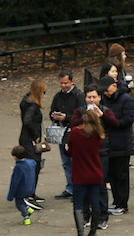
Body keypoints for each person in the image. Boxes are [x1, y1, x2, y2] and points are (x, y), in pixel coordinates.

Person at [70, 83, 118, 231]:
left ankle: (102, 217)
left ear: (99, 97)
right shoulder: (80, 111)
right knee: (83, 186)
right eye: (89, 97)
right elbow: (73, 124)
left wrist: (102, 116)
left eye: (94, 97)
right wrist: (87, 117)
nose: (91, 100)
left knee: (100, 185)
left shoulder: (105, 110)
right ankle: (85, 216)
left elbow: (115, 124)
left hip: (101, 152)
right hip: (83, 154)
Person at [66, 99, 106, 236]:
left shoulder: (75, 132)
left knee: (78, 204)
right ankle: (93, 233)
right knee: (95, 203)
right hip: (95, 172)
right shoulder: (98, 134)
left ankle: (81, 234)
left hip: (79, 174)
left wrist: (69, 149)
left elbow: (70, 150)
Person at [100, 75, 134, 216]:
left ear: (114, 86)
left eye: (107, 90)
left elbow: (128, 119)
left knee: (121, 176)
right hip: (109, 143)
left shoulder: (126, 99)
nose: (106, 93)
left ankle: (122, 204)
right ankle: (116, 201)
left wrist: (113, 122)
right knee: (112, 175)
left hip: (122, 143)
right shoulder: (105, 99)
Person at [49, 70, 85, 200]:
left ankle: (78, 189)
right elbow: (51, 111)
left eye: (66, 83)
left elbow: (82, 114)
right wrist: (54, 116)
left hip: (75, 132)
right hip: (61, 132)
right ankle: (70, 188)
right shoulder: (58, 96)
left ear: (72, 82)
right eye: (61, 83)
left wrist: (66, 117)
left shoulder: (78, 96)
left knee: (76, 162)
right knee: (66, 162)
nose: (63, 86)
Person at [19, 80, 47, 209]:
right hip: (30, 139)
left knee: (34, 165)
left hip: (26, 138)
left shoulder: (26, 101)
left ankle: (31, 193)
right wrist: (36, 135)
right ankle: (28, 195)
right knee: (33, 166)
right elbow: (27, 121)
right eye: (43, 92)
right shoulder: (33, 106)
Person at [8, 145, 37, 226]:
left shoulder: (18, 167)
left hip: (21, 190)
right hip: (29, 188)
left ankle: (26, 217)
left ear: (15, 157)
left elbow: (15, 182)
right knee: (23, 201)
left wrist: (11, 195)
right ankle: (28, 209)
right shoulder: (31, 162)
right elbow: (34, 163)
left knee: (19, 204)